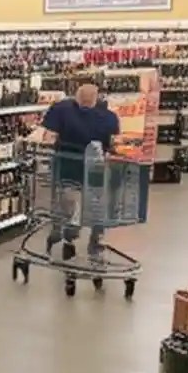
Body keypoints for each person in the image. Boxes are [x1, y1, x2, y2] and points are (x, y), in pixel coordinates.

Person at [32, 80, 120, 261]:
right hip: (95, 170)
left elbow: (48, 136)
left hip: (67, 168)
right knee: (97, 205)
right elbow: (112, 144)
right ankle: (95, 243)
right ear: (96, 99)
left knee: (67, 203)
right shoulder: (108, 117)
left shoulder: (61, 110)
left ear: (77, 98)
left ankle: (66, 235)